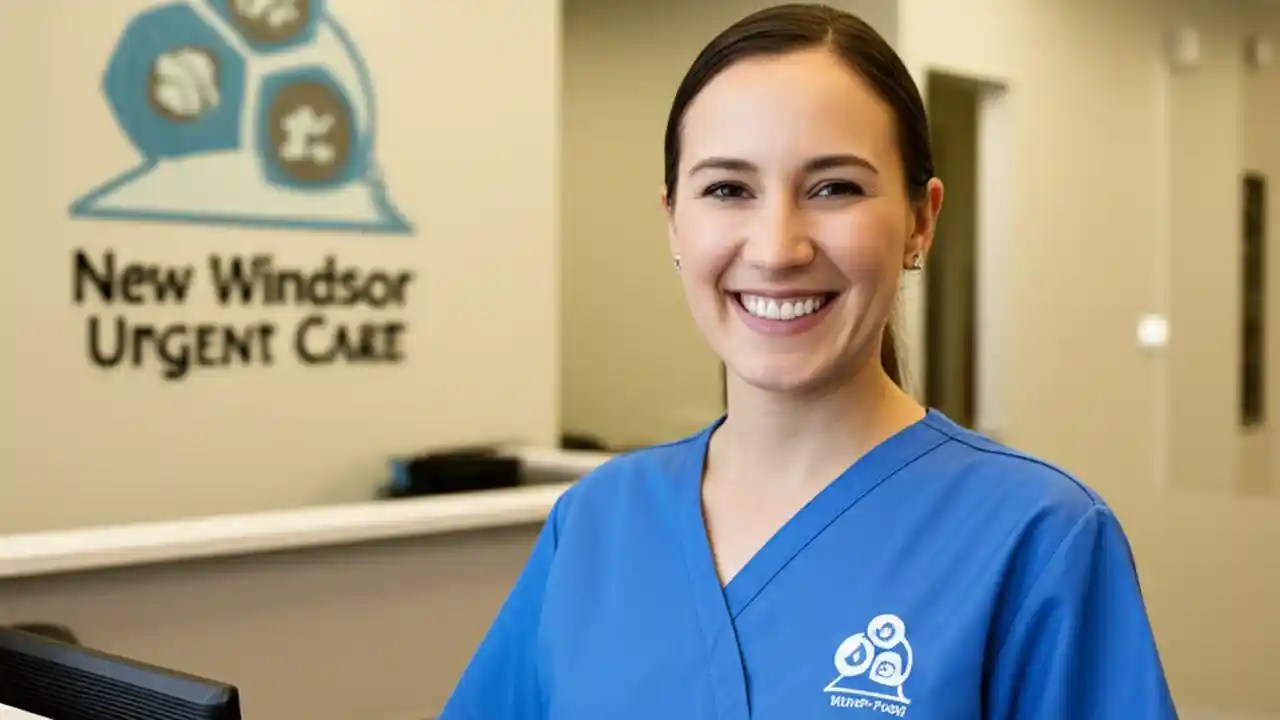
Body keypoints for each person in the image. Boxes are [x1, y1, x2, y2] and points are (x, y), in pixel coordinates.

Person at [441, 4, 1177, 718]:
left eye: (834, 188)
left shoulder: (1037, 539)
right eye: (728, 189)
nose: (776, 248)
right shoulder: (601, 522)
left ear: (921, 220)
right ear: (673, 220)